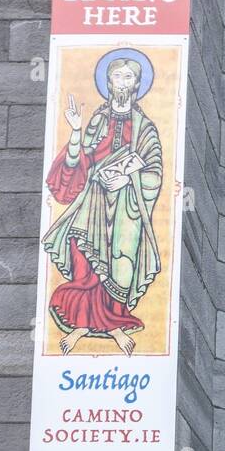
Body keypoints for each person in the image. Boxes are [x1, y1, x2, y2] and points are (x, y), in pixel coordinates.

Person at [42, 56, 163, 356]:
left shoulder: (145, 128)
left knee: (120, 266)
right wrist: (74, 131)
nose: (122, 83)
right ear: (108, 82)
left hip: (126, 210)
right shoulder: (97, 121)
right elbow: (78, 164)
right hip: (91, 205)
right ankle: (84, 325)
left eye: (128, 77)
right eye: (117, 76)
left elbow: (155, 173)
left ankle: (112, 325)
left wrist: (126, 180)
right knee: (85, 265)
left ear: (137, 85)